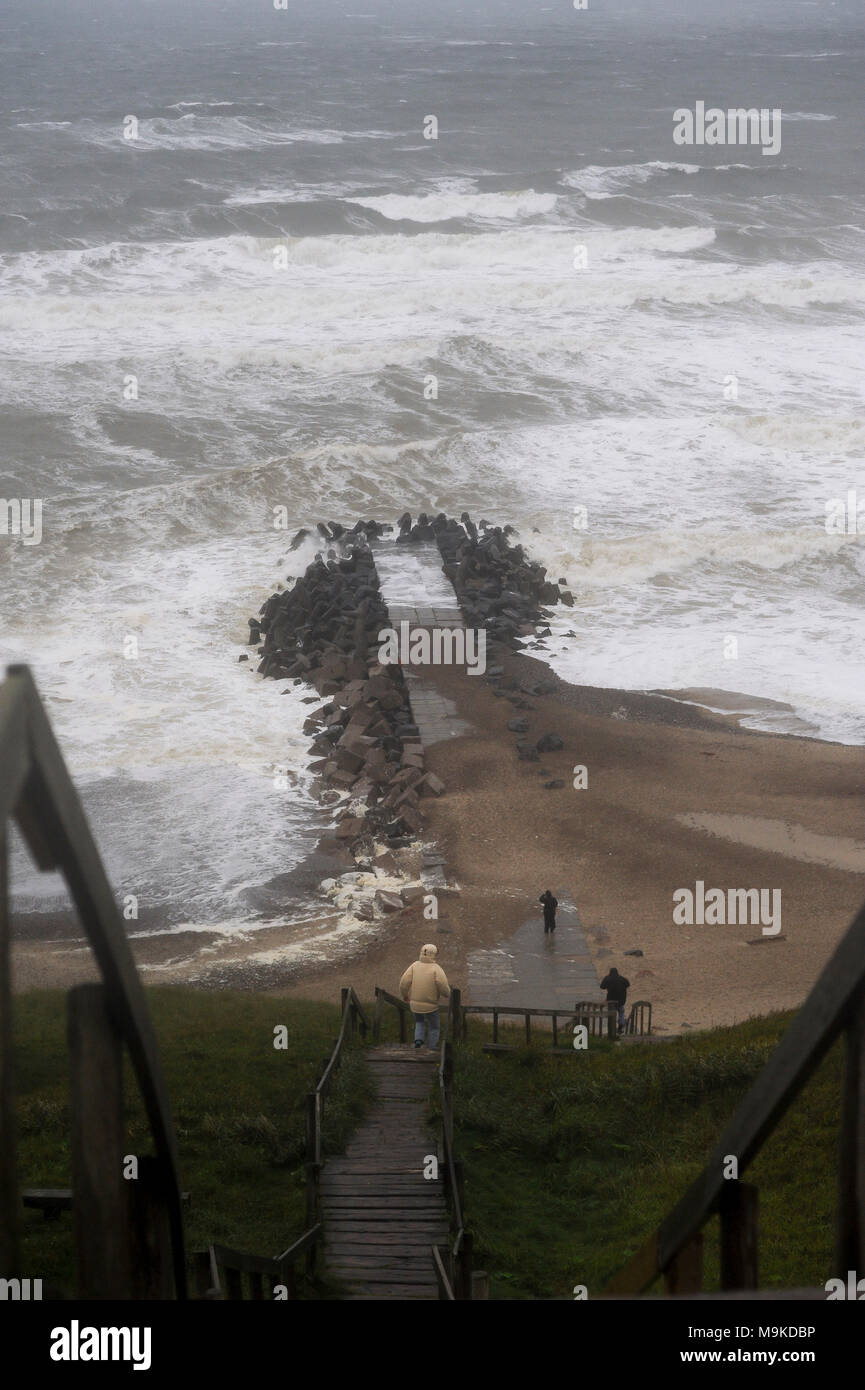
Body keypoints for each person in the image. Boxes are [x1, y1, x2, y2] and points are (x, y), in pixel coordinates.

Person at [399, 943, 451, 1050]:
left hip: (415, 1005)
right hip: (431, 1006)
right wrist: (448, 994)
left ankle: (418, 1041)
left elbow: (404, 983)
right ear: (434, 954)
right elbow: (443, 986)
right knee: (434, 1027)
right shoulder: (436, 968)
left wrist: (405, 995)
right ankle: (431, 1047)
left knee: (419, 1022)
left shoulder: (414, 966)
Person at [600, 966, 631, 1033]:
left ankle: (611, 1028)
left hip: (611, 1001)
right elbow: (628, 984)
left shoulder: (607, 978)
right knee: (621, 1013)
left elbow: (602, 987)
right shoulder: (622, 979)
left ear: (610, 973)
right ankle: (620, 1027)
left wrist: (606, 978)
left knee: (611, 1013)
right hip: (621, 1000)